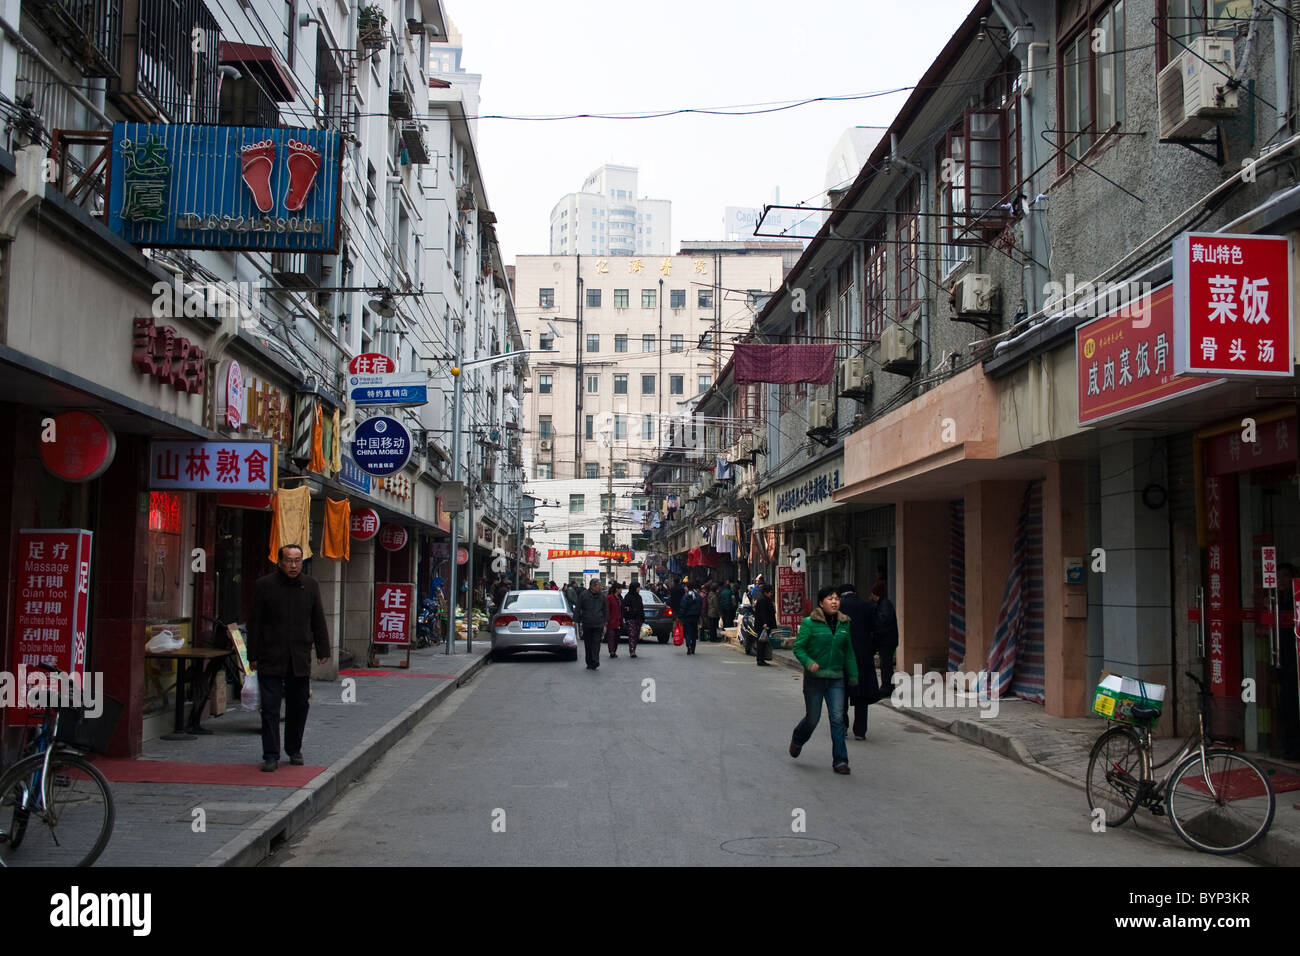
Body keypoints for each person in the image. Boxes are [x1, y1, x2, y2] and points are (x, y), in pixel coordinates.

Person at [247, 544, 331, 773]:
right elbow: (254, 622)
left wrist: (323, 650)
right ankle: (271, 755)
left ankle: (294, 749)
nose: (293, 565)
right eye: (289, 560)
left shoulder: (310, 585)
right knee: (271, 709)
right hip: (270, 656)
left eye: (297, 560)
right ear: (280, 562)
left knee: (299, 706)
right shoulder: (264, 586)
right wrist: (252, 655)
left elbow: (318, 620)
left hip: (299, 657)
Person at [789, 584, 858, 774]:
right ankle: (798, 738)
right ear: (821, 603)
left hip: (836, 678)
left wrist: (853, 674)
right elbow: (799, 648)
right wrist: (808, 662)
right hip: (814, 679)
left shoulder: (844, 623)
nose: (834, 601)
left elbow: (848, 652)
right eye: (830, 598)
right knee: (813, 718)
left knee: (837, 719)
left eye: (837, 598)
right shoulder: (809, 623)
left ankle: (840, 761)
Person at [838, 582, 878, 739]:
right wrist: (871, 649)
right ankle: (860, 731)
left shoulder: (837, 608)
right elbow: (876, 629)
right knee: (861, 694)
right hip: (863, 658)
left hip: (841, 657)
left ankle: (842, 726)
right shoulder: (867, 606)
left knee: (841, 693)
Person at [871, 578, 899, 702]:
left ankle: (886, 688)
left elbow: (884, 621)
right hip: (887, 640)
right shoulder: (883, 603)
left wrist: (874, 626)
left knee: (886, 665)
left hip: (887, 641)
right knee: (886, 664)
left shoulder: (885, 604)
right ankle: (889, 686)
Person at [575, 578, 607, 670]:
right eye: (599, 585)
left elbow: (605, 610)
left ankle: (595, 661)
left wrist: (605, 623)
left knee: (597, 643)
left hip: (598, 624)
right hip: (587, 623)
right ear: (593, 586)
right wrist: (576, 621)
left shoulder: (602, 596)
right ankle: (589, 662)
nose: (601, 587)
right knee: (588, 644)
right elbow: (578, 608)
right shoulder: (583, 595)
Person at [752, 583, 777, 666]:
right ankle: (760, 659)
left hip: (764, 624)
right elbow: (763, 613)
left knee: (763, 642)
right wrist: (765, 623)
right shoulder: (763, 600)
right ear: (766, 592)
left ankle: (762, 658)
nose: (771, 594)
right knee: (761, 642)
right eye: (770, 592)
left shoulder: (766, 599)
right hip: (762, 625)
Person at [678, 581, 702, 654]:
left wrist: (680, 616)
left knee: (688, 633)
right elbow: (700, 606)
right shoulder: (697, 596)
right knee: (694, 633)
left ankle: (688, 645)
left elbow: (683, 607)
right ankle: (693, 647)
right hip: (695, 617)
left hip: (687, 617)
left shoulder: (686, 596)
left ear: (687, 587)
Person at [621, 582, 645, 659]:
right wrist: (629, 613)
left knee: (636, 635)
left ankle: (634, 648)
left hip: (638, 618)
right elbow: (625, 608)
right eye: (638, 587)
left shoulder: (639, 597)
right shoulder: (627, 597)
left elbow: (641, 608)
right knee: (632, 634)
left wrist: (643, 618)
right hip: (630, 619)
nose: (639, 589)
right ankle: (632, 651)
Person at [604, 581, 624, 659]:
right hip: (611, 620)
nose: (621, 590)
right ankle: (611, 651)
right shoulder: (609, 597)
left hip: (618, 620)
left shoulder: (620, 598)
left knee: (617, 637)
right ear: (616, 589)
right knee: (611, 636)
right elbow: (607, 609)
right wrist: (606, 619)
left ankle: (614, 650)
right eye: (620, 589)